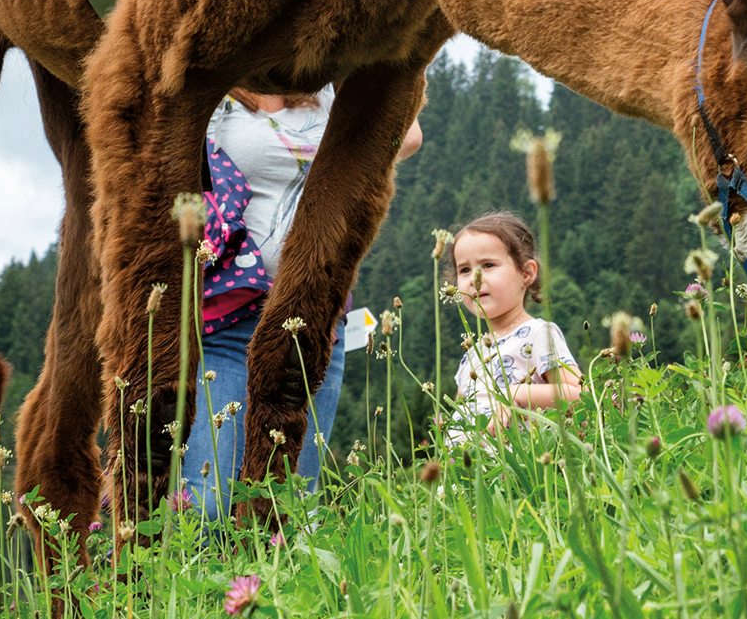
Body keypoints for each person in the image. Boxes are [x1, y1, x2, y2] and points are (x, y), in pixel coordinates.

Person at [181, 86, 422, 516]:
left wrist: (352, 65)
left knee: (290, 505)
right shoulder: (218, 92)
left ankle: (267, 564)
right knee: (209, 503)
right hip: (231, 317)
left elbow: (406, 134)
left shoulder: (329, 94)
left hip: (312, 314)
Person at [445, 212, 581, 439]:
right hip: (469, 461)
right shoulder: (472, 353)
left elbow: (579, 394)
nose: (474, 277)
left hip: (521, 457)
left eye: (488, 265)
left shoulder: (539, 334)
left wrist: (518, 393)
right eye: (464, 270)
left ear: (526, 273)